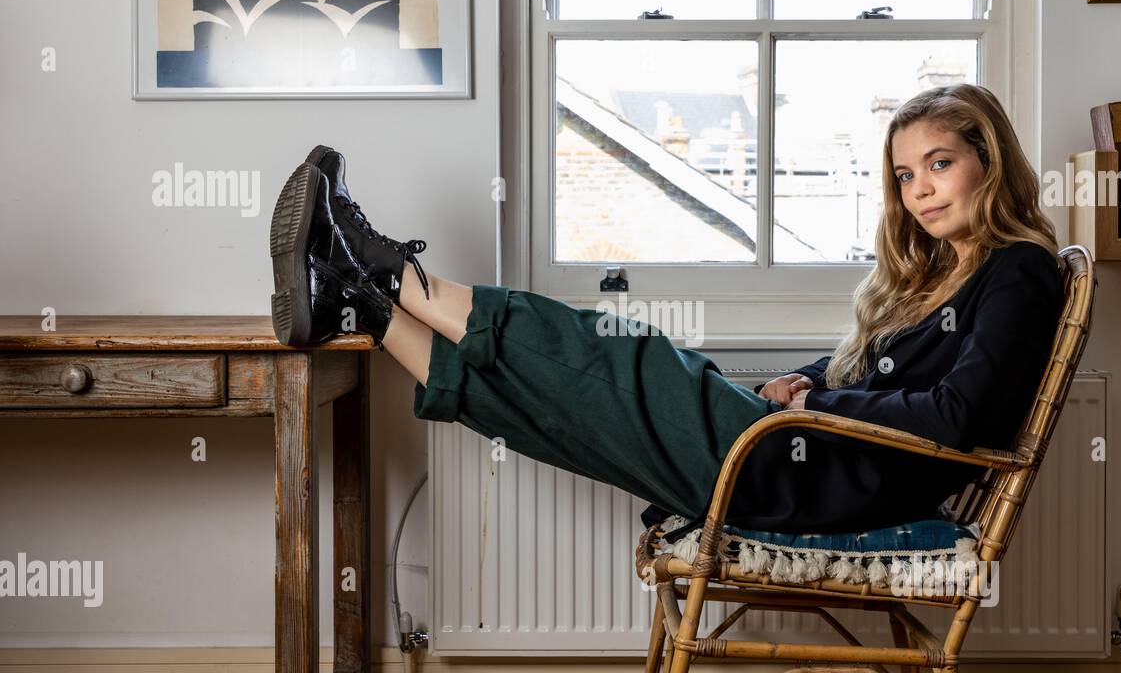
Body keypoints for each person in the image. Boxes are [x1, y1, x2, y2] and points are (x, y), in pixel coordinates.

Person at [267, 83, 1064, 543]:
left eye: (939, 164)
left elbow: (955, 416)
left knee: (625, 354)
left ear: (987, 162)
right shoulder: (936, 274)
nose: (919, 188)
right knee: (556, 411)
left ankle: (381, 266)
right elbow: (885, 369)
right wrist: (808, 378)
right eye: (903, 174)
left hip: (818, 478)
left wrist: (818, 404)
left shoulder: (1018, 272)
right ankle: (367, 308)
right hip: (803, 453)